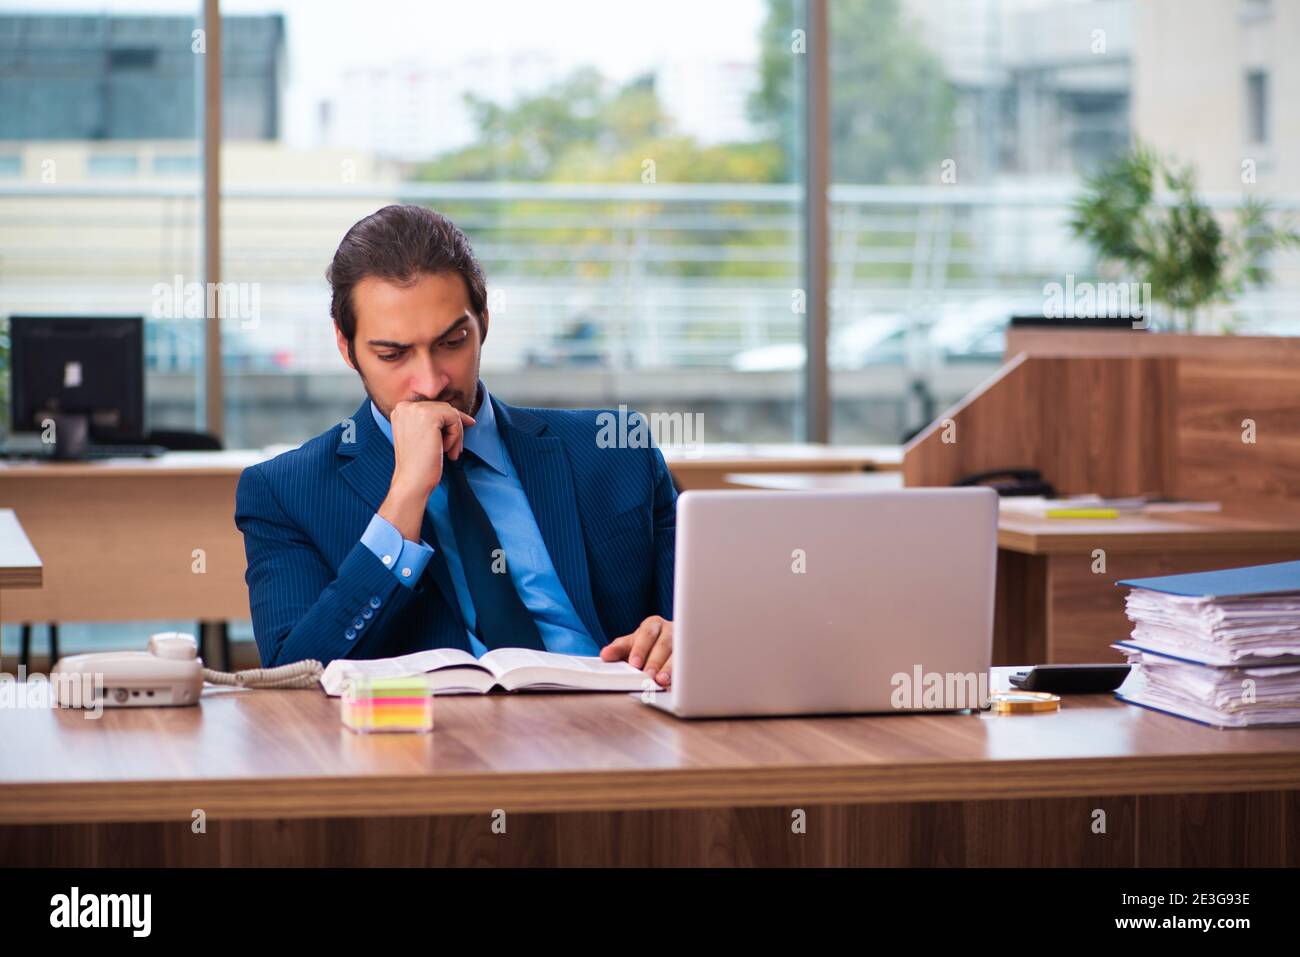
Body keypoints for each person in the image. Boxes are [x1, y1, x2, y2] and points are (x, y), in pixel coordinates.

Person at [235, 205, 678, 685]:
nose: (429, 382)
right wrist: (404, 499)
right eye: (393, 354)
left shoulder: (614, 450)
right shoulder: (284, 492)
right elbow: (293, 680)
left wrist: (681, 635)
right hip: (430, 744)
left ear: (483, 321)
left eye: (452, 342)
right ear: (347, 348)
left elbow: (708, 627)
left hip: (617, 731)